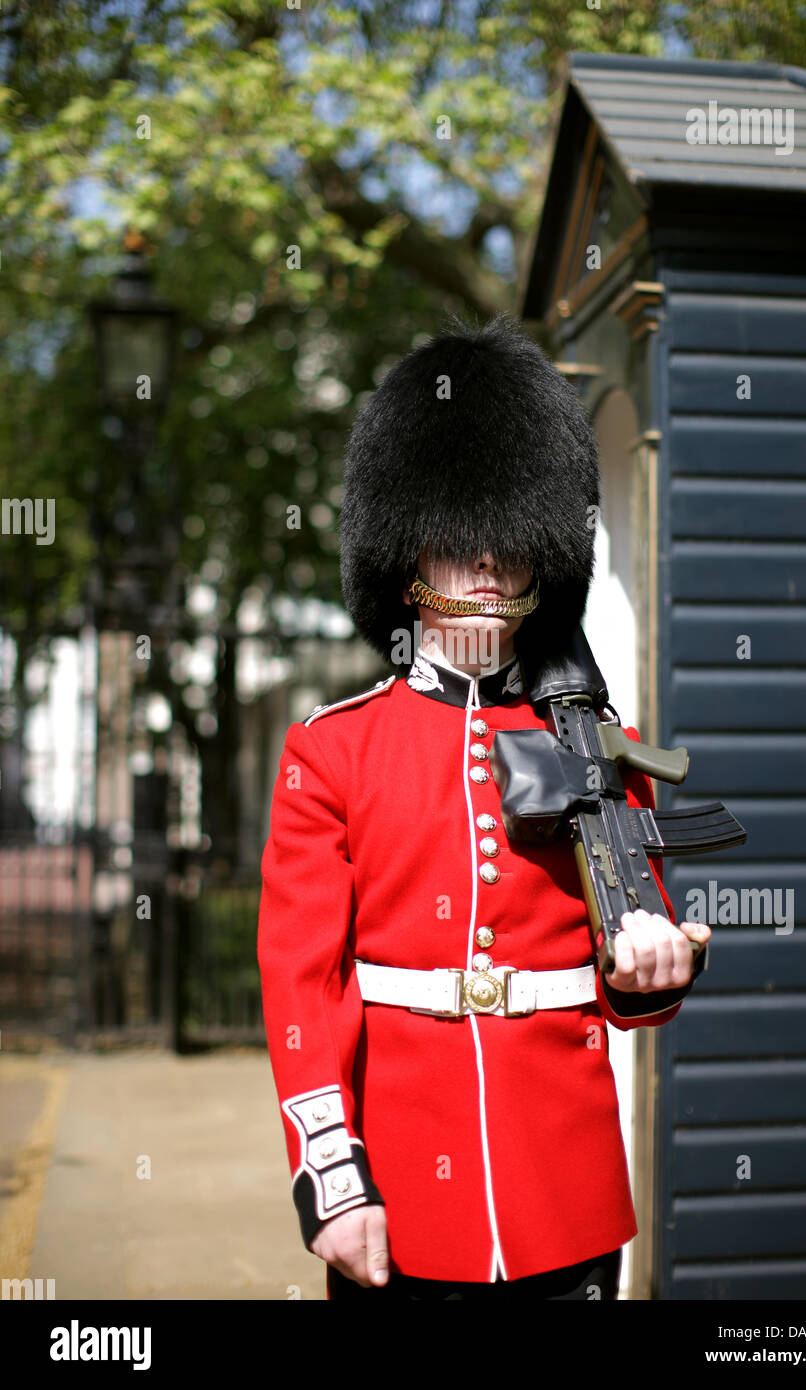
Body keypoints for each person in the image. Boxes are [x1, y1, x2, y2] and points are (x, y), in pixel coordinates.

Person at [256, 314, 710, 1301]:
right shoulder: (332, 749)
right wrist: (333, 1186)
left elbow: (633, 970)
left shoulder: (593, 737)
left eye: (509, 547)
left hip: (569, 1193)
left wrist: (657, 961)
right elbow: (301, 988)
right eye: (462, 548)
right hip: (404, 1204)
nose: (489, 573)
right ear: (407, 561)